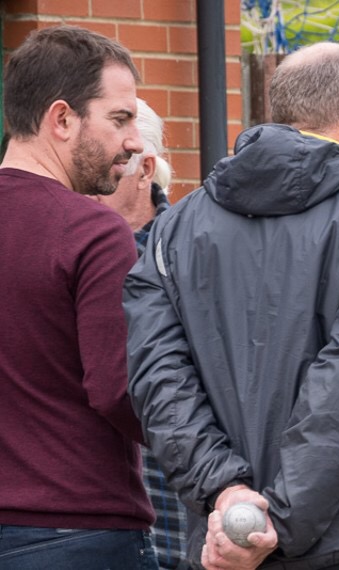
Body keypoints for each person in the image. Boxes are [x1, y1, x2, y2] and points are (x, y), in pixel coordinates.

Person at [123, 41, 339, 570]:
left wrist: (229, 499)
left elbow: (159, 384)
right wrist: (278, 522)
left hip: (225, 541)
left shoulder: (170, 230)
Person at [0, 25, 157, 568]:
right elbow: (122, 390)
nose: (135, 141)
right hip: (79, 527)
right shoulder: (92, 231)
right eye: (120, 119)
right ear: (62, 119)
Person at [94, 98, 189, 570]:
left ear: (145, 168)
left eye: (109, 164)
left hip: (181, 521)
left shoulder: (195, 252)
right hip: (91, 524)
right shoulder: (66, 248)